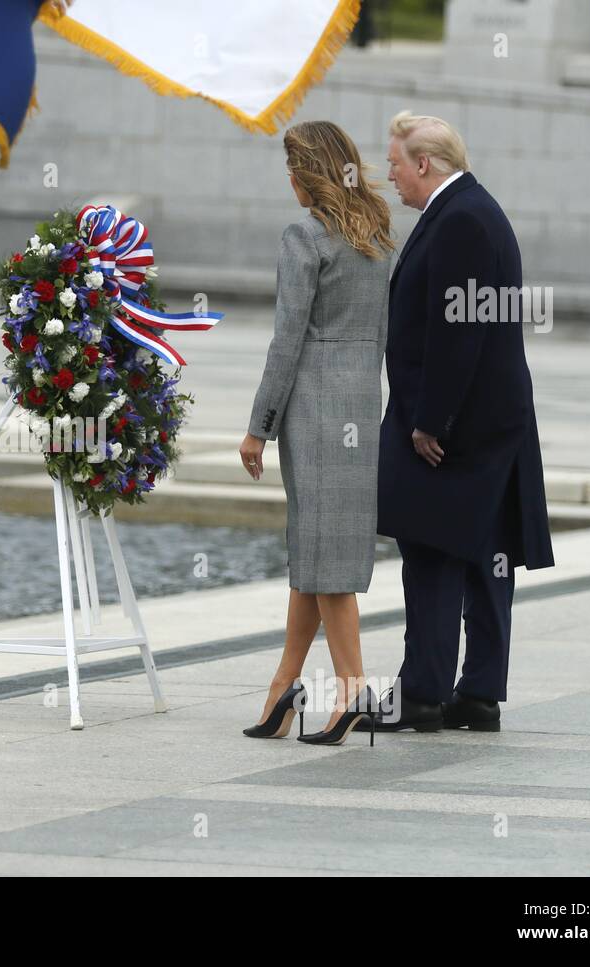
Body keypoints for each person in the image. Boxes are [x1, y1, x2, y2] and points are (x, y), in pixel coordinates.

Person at [365, 112, 554, 734]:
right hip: (486, 425)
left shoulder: (462, 219)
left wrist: (429, 421)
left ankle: (421, 694)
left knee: (434, 553)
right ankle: (476, 696)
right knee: (486, 556)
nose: (389, 175)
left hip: (458, 431)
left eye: (394, 163)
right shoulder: (469, 210)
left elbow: (458, 331)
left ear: (424, 164)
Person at [240, 121, 394, 746]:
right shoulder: (380, 235)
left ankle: (354, 690)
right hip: (361, 400)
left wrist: (257, 427)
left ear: (310, 173)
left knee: (324, 559)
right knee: (317, 550)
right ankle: (284, 689)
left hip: (314, 408)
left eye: (292, 168)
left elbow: (287, 340)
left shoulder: (304, 236)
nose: (289, 180)